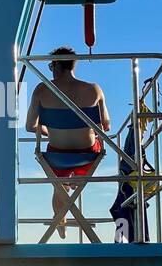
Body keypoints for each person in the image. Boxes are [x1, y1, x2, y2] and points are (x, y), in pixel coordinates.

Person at [24, 47, 111, 238]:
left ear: (55, 65)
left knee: (59, 185)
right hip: (87, 153)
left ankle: (60, 219)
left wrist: (50, 132)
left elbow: (30, 126)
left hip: (57, 154)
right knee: (70, 181)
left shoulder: (42, 89)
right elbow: (106, 125)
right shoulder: (93, 89)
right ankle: (72, 189)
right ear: (73, 65)